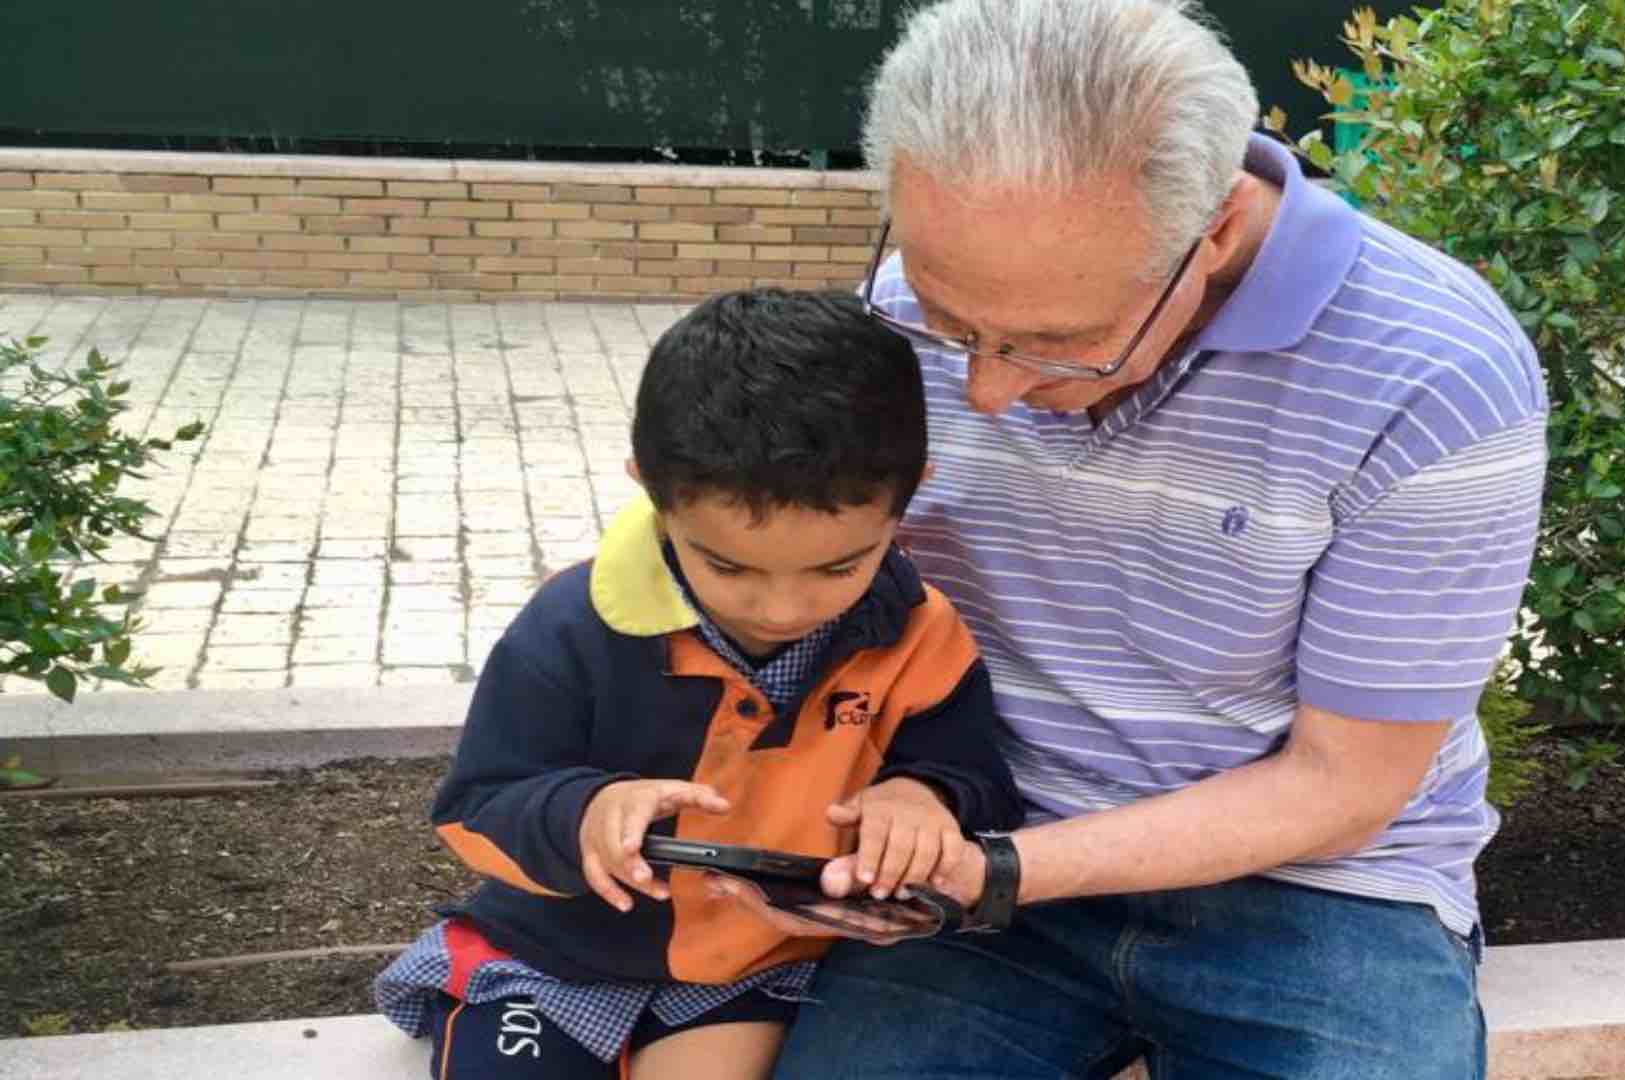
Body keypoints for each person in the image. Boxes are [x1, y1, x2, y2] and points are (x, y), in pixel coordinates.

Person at [768, 1, 1550, 1077]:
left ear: (1214, 228)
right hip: (975, 833)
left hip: (1317, 892)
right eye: (949, 323)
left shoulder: (1435, 368)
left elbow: (1343, 786)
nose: (983, 391)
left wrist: (1003, 871)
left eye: (1058, 345)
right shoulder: (907, 306)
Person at [373, 288, 1023, 1080]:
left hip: (753, 967)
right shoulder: (571, 627)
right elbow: (477, 805)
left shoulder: (923, 634)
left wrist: (925, 798)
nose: (782, 609)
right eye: (728, 566)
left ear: (909, 494)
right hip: (550, 957)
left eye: (838, 568)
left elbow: (981, 782)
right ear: (651, 489)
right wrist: (585, 814)